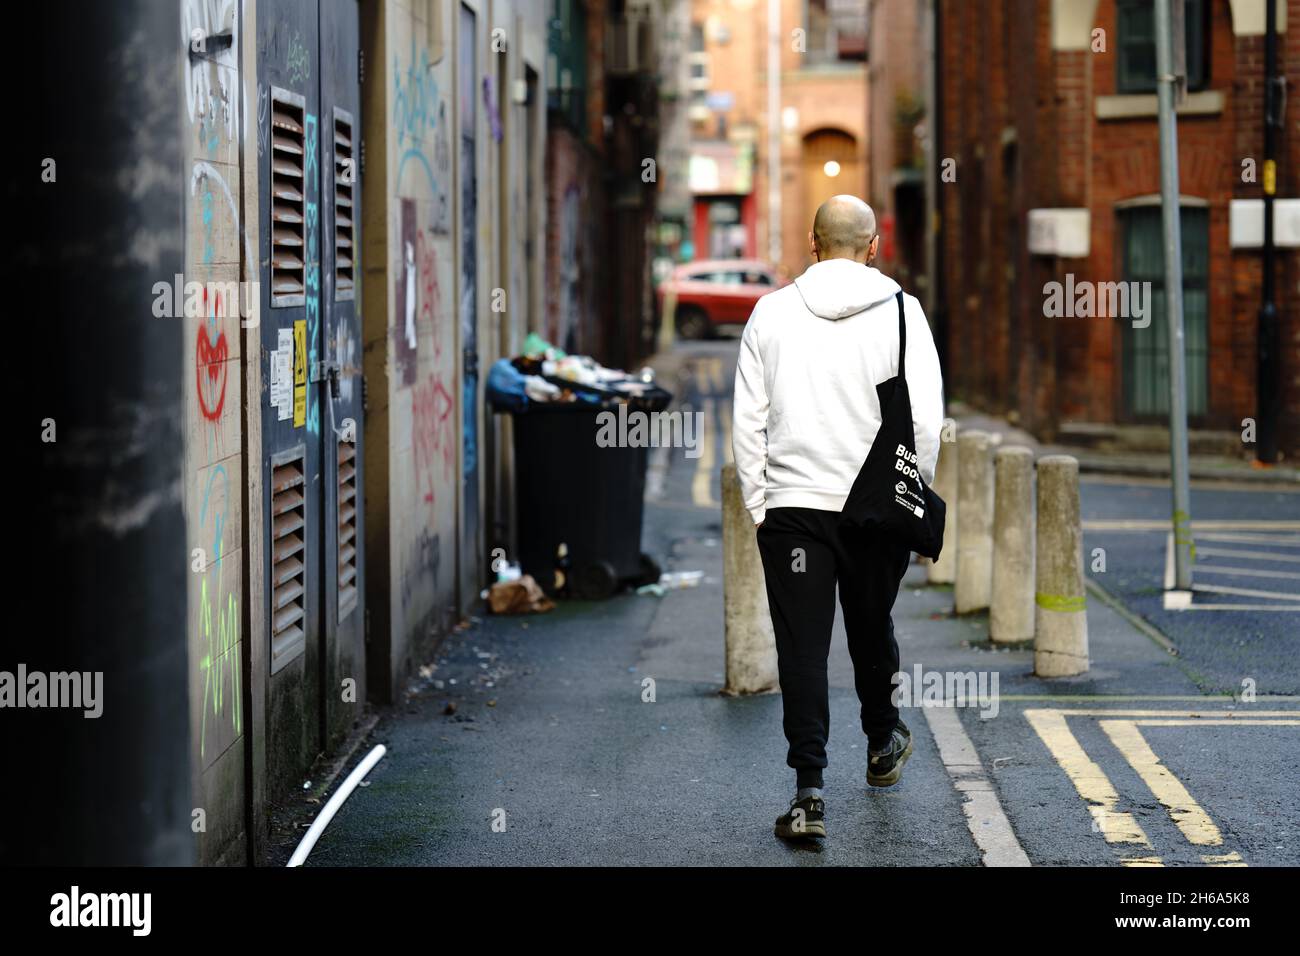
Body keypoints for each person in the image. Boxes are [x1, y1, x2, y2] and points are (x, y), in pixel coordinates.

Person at [731, 195, 944, 840]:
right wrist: (913, 490)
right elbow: (928, 424)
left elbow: (749, 419)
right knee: (870, 623)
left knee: (802, 647)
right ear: (873, 247)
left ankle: (809, 793)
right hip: (877, 504)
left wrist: (759, 505)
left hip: (795, 510)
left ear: (812, 241)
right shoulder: (905, 314)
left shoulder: (769, 313)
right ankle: (882, 739)